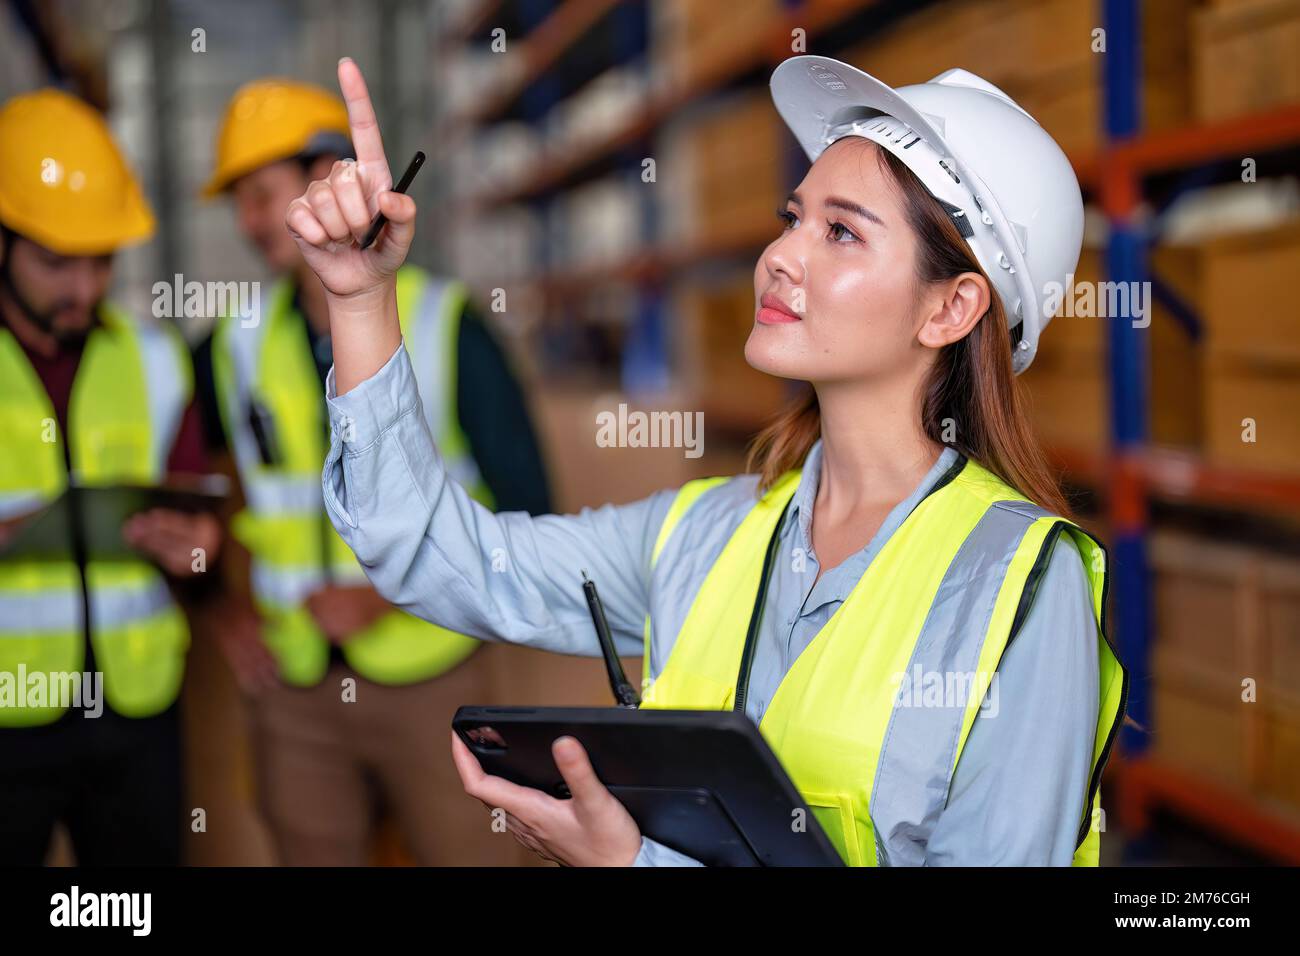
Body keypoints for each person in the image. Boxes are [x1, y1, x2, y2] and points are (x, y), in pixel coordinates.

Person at [294, 56, 1127, 866]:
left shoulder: (1019, 589)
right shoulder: (704, 533)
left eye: (841, 231)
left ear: (952, 307)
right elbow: (436, 558)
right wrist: (360, 299)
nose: (782, 257)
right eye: (792, 217)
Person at [195, 77, 551, 865]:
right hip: (292, 690)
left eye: (262, 194)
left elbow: (533, 510)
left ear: (330, 175)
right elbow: (200, 489)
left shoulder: (446, 323)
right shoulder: (232, 346)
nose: (251, 222)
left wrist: (390, 596)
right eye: (241, 203)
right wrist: (219, 605)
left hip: (433, 673)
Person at [0, 89, 219, 865]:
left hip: (136, 710)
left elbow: (202, 531)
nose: (84, 290)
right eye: (57, 262)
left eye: (101, 261)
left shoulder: (156, 360)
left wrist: (196, 549)